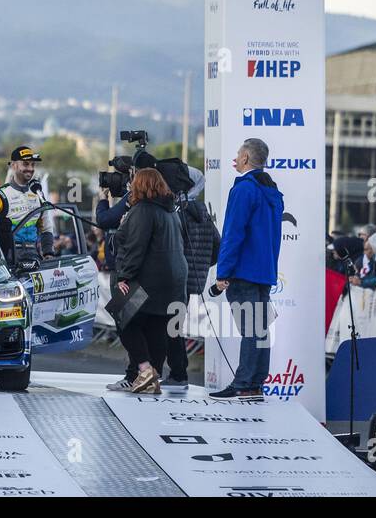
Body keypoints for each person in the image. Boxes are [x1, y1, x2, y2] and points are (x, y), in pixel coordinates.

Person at [209, 138, 283, 400]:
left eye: (239, 152)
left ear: (246, 158)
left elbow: (233, 233)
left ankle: (243, 382)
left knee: (251, 331)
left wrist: (223, 273)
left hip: (243, 271)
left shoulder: (244, 189)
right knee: (260, 331)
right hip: (264, 272)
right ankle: (254, 383)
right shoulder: (271, 190)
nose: (236, 156)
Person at [107, 168, 186, 393]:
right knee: (156, 326)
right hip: (174, 280)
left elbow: (135, 247)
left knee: (122, 316)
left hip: (148, 278)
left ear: (140, 185)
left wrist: (124, 276)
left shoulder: (142, 210)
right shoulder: (171, 211)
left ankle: (144, 369)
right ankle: (151, 377)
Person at [167, 170, 220, 390]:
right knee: (174, 327)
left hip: (173, 277)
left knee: (167, 327)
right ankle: (177, 373)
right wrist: (199, 267)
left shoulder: (179, 213)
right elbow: (218, 246)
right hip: (189, 281)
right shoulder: (204, 214)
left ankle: (176, 374)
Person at [0, 146, 55, 266]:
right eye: (26, 164)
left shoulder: (38, 194)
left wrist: (48, 254)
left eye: (33, 165)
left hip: (34, 256)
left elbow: (46, 229)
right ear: (13, 165)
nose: (30, 169)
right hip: (9, 258)